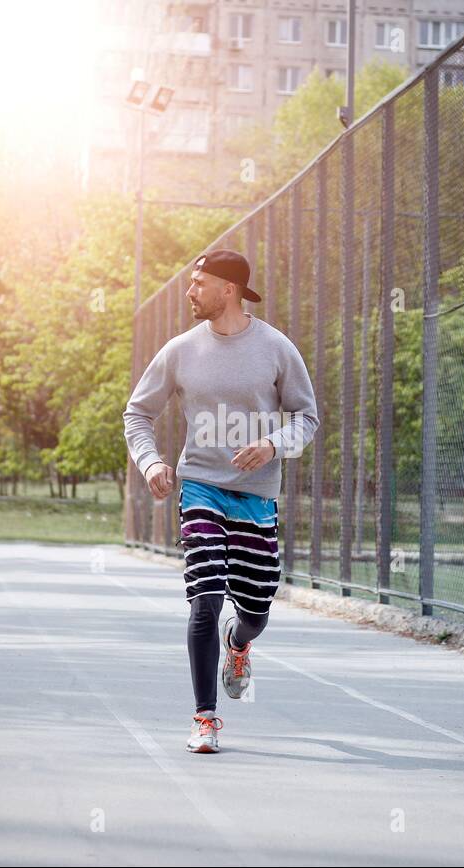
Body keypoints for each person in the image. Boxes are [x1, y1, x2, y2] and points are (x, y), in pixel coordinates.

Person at [123, 249, 319, 753]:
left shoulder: (276, 348)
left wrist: (273, 443)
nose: (190, 292)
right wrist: (151, 463)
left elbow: (307, 417)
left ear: (227, 289)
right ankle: (205, 718)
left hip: (256, 497)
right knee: (205, 597)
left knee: (255, 607)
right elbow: (137, 414)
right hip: (201, 488)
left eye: (199, 283)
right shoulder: (180, 350)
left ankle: (240, 641)